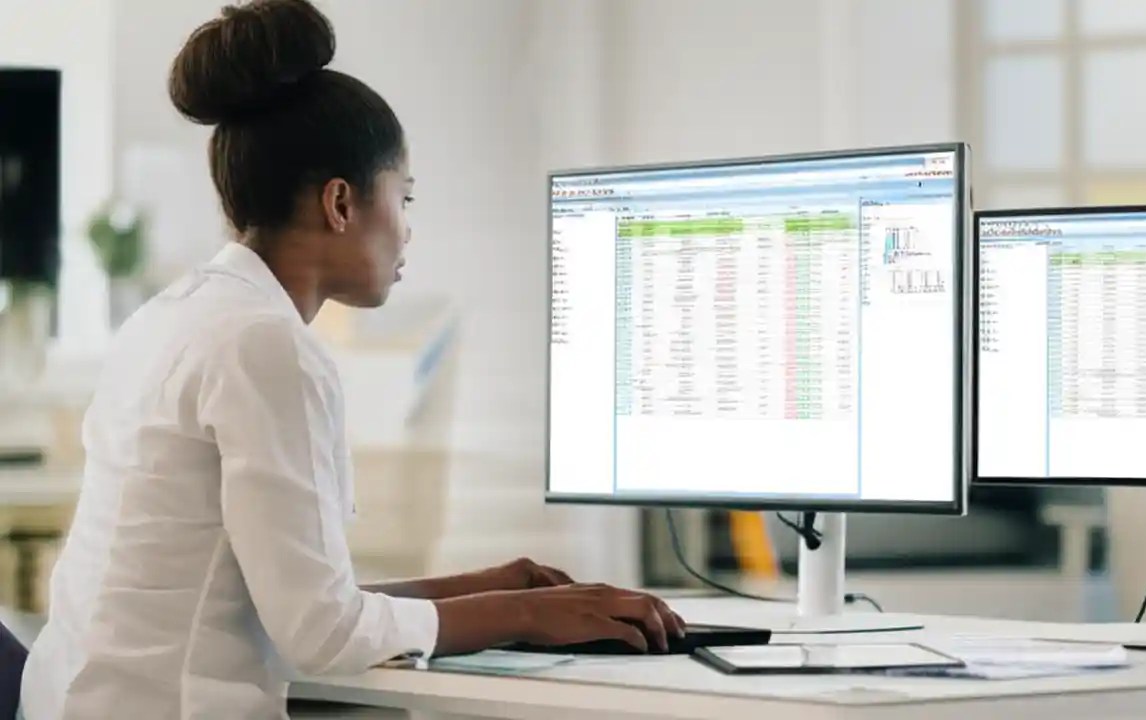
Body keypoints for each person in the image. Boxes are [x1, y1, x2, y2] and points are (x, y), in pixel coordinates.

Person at [19, 1, 683, 717]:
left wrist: (491, 587)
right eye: (404, 197)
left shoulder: (180, 314)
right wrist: (526, 616)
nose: (407, 231)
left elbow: (287, 601)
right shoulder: (264, 345)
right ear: (341, 202)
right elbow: (322, 633)